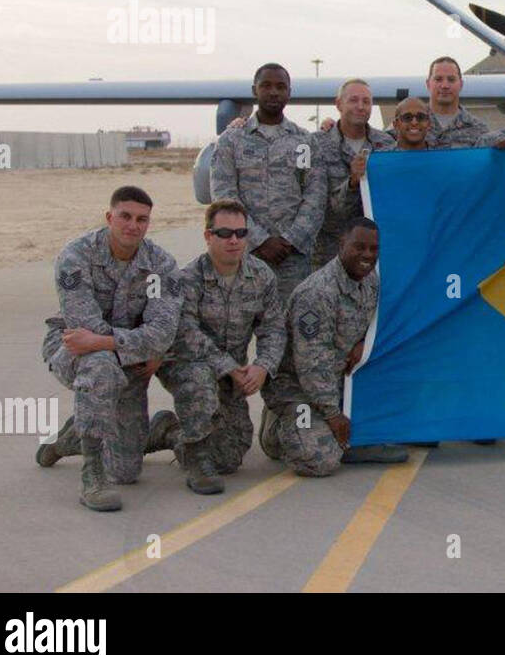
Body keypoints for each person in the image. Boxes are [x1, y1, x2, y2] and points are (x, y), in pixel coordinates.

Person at [35, 186, 182, 512]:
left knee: (127, 471)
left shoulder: (160, 265)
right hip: (72, 348)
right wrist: (131, 345)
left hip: (127, 356)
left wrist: (115, 344)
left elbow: (162, 333)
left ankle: (72, 436)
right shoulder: (76, 256)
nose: (133, 225)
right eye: (125, 216)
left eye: (142, 219)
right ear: (109, 217)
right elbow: (83, 329)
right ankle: (92, 476)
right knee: (100, 367)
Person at [144, 200, 286, 492]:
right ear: (208, 236)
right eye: (224, 233)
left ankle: (169, 432)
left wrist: (262, 366)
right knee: (199, 381)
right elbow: (186, 334)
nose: (233, 240)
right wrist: (229, 368)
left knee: (230, 455)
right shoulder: (186, 279)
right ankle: (197, 461)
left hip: (230, 373)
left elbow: (273, 328)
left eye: (240, 233)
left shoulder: (261, 277)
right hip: (186, 365)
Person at [258, 220, 408, 475]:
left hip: (339, 383)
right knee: (319, 460)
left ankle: (340, 438)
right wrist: (332, 416)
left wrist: (365, 342)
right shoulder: (317, 294)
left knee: (402, 428)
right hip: (298, 388)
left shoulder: (370, 281)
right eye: (359, 247)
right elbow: (310, 364)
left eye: (374, 249)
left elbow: (383, 321)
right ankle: (276, 428)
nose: (368, 255)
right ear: (341, 245)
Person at [210, 63, 327, 303]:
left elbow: (315, 195)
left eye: (280, 87)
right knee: (236, 331)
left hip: (292, 259)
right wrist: (258, 240)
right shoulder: (231, 140)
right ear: (255, 90)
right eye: (266, 86)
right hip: (243, 254)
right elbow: (224, 193)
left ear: (289, 92)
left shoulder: (304, 141)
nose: (274, 92)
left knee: (292, 329)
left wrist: (291, 240)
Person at [312, 78, 394, 268]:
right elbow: (316, 204)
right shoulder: (315, 144)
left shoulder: (387, 145)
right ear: (339, 104)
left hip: (376, 256)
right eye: (353, 100)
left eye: (366, 101)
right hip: (331, 255)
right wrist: (353, 183)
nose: (360, 106)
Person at [424, 56, 489, 148]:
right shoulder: (410, 125)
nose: (445, 85)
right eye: (438, 79)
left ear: (461, 84)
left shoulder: (479, 130)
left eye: (451, 80)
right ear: (428, 84)